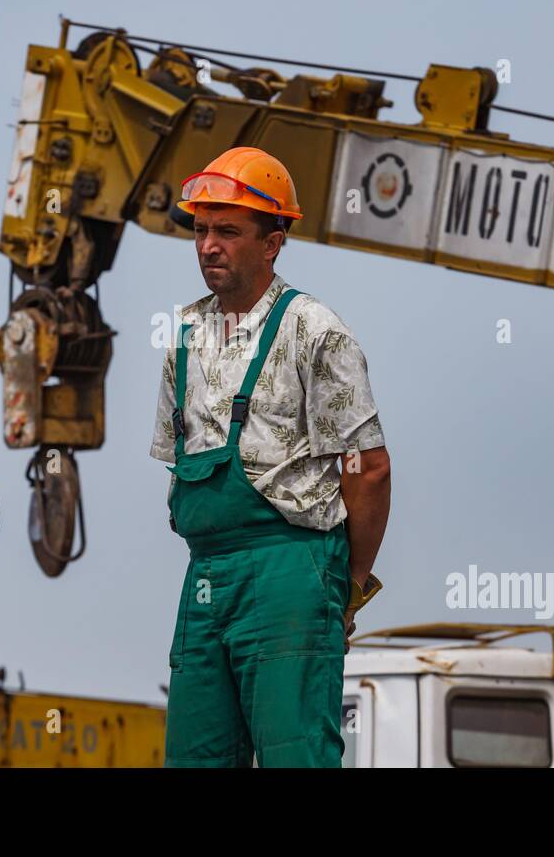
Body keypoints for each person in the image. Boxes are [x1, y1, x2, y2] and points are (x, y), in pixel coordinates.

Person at [150, 147, 391, 767]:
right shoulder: (184, 337)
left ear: (273, 241)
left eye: (227, 231)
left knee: (294, 754)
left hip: (290, 569)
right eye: (201, 230)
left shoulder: (314, 330)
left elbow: (369, 469)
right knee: (195, 757)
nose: (208, 245)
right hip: (206, 574)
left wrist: (348, 587)